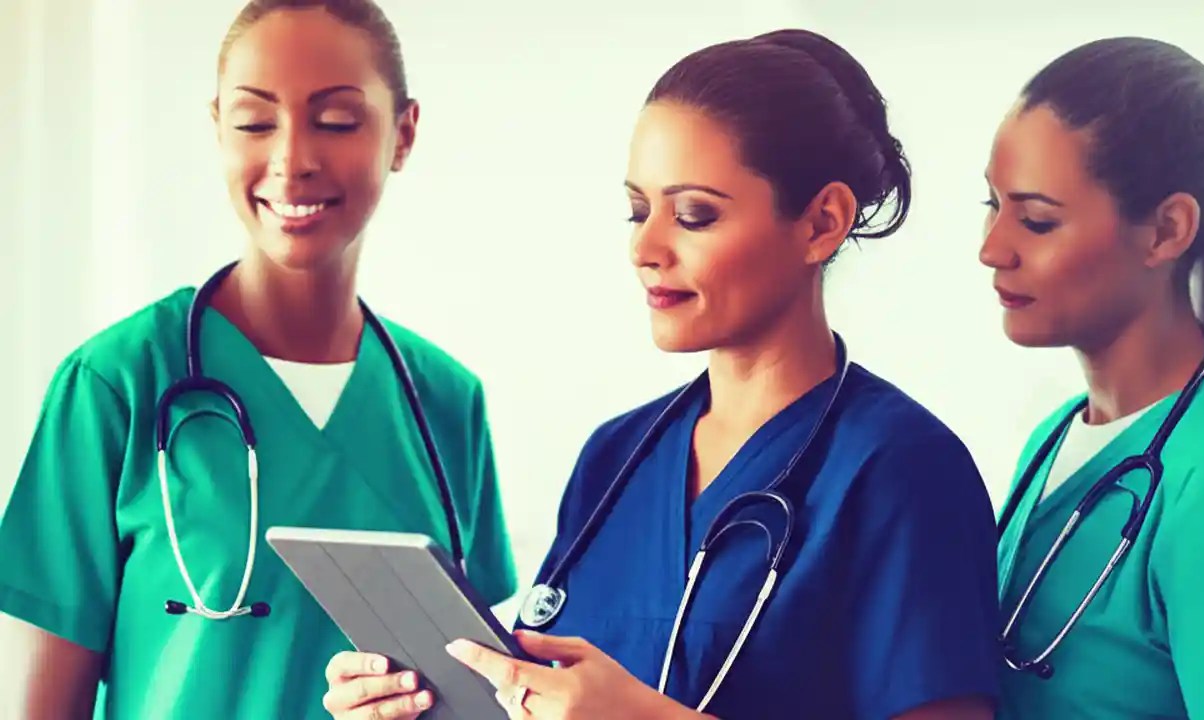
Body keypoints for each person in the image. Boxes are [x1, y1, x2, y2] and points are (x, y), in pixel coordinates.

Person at [322, 28, 1000, 720]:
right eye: (638, 211)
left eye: (695, 215)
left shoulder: (903, 472)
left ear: (822, 222)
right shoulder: (616, 458)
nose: (644, 248)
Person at [0, 1, 518, 718]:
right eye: (253, 122)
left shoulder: (446, 403)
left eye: (336, 121)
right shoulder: (116, 385)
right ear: (217, 129)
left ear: (403, 134)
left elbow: (476, 694)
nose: (293, 160)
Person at [981, 36, 1204, 720]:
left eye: (1036, 220)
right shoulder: (1055, 440)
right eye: (991, 206)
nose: (992, 249)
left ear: (1166, 231)